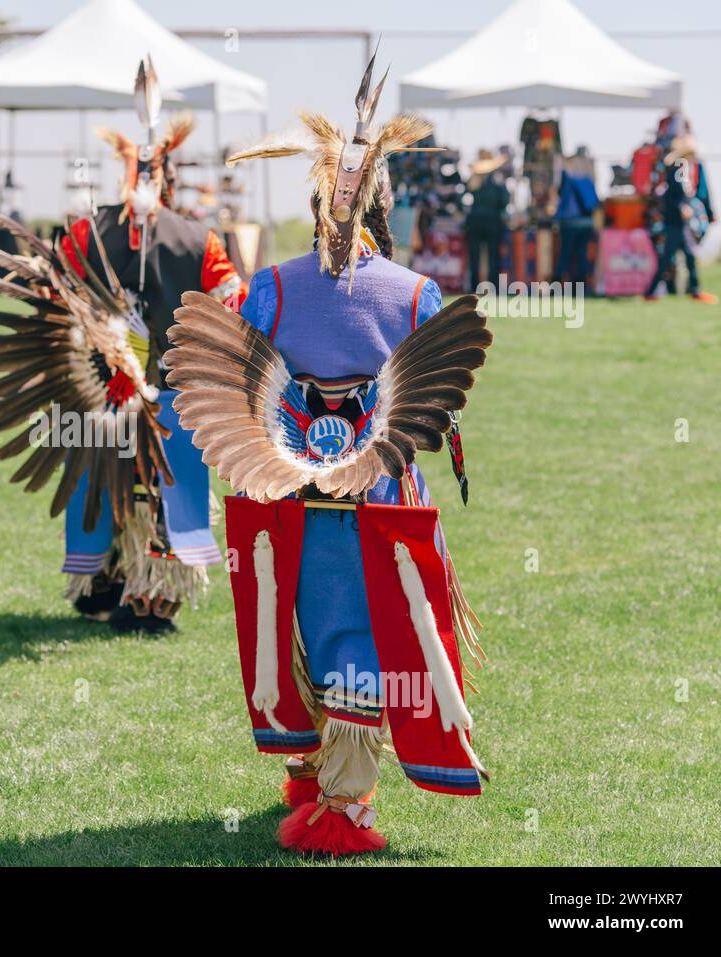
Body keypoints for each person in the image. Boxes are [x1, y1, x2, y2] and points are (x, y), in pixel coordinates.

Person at [167, 51, 490, 856]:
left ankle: (320, 776)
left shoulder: (269, 288)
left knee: (311, 632)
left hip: (288, 505)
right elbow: (442, 404)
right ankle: (344, 805)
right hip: (381, 508)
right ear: (384, 203)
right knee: (364, 640)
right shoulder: (418, 294)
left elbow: (237, 378)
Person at [0, 58, 243, 635]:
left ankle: (115, 582)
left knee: (110, 475)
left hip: (101, 391)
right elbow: (233, 310)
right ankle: (145, 593)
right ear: (169, 176)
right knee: (154, 481)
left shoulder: (90, 232)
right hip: (162, 394)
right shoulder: (199, 240)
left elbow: (55, 293)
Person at [644, 134, 717, 304]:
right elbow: (673, 195)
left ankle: (655, 291)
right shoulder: (679, 167)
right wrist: (682, 207)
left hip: (676, 221)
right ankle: (692, 291)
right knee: (682, 256)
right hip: (676, 221)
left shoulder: (680, 167)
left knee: (677, 256)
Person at [463, 149, 509, 292]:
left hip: (475, 221)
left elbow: (462, 198)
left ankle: (474, 287)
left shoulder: (473, 178)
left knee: (475, 257)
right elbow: (504, 201)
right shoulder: (497, 179)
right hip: (493, 222)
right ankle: (493, 287)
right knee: (493, 256)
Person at [553, 149, 599, 286]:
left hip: (570, 222)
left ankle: (557, 285)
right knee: (581, 255)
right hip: (586, 223)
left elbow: (557, 192)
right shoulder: (588, 178)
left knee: (565, 254)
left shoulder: (567, 178)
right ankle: (579, 287)